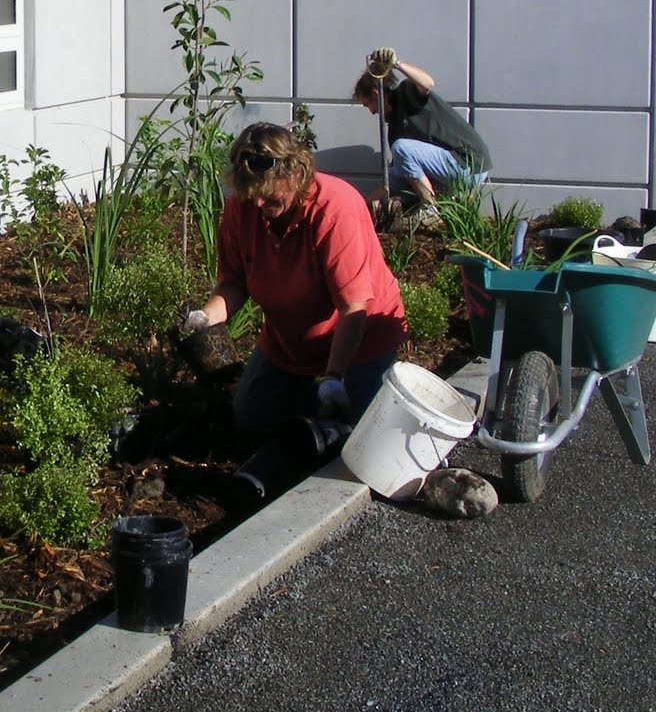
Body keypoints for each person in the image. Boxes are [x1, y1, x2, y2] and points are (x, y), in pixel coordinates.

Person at [181, 122, 407, 434]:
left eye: (269, 197)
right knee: (250, 422)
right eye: (252, 196)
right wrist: (205, 317)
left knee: (349, 435)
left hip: (360, 340)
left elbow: (354, 309)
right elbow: (234, 283)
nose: (259, 205)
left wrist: (334, 377)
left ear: (296, 175)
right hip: (290, 343)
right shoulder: (243, 207)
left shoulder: (334, 210)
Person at [354, 47, 492, 222]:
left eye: (368, 105)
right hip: (453, 170)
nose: (371, 112)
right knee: (395, 175)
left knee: (402, 148)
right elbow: (394, 181)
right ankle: (431, 207)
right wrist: (360, 207)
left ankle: (431, 209)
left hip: (469, 164)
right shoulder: (395, 127)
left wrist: (396, 64)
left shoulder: (406, 93)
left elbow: (427, 83)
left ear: (376, 95)